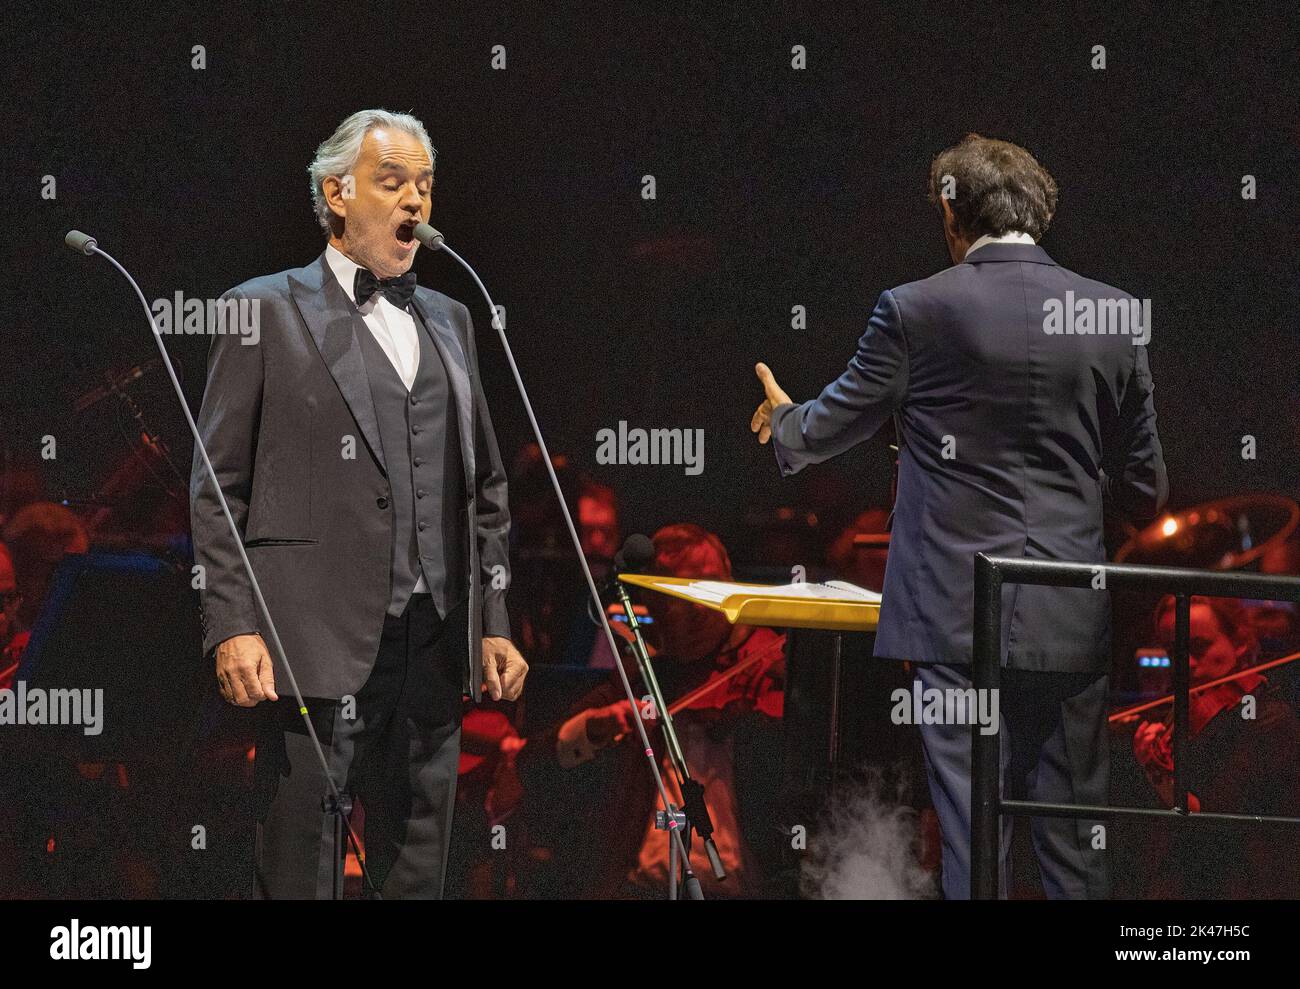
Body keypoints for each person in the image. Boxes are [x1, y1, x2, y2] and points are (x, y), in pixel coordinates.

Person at [750, 133, 1168, 898]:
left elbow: (829, 425)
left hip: (955, 617)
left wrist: (783, 421)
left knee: (976, 841)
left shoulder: (916, 309)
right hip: (1071, 616)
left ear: (952, 213)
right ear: (1039, 211)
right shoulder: (1112, 314)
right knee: (1075, 846)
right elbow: (1144, 486)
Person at [189, 109, 527, 899]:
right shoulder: (264, 309)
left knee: (417, 869)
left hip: (434, 643)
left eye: (425, 184)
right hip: (310, 643)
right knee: (303, 867)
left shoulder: (452, 320)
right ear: (337, 193)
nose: (416, 200)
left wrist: (495, 620)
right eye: (392, 181)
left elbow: (485, 490)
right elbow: (216, 482)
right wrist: (232, 621)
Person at [494, 524, 787, 897]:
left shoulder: (771, 668)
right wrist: (597, 728)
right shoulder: (645, 679)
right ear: (652, 610)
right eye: (679, 595)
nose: (701, 608)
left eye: (710, 585)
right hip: (643, 888)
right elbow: (537, 761)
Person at [1130, 595, 1300, 898]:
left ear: (1240, 643)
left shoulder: (1270, 720)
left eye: (1198, 647)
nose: (1185, 664)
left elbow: (1212, 825)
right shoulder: (1186, 712)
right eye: (1174, 651)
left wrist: (1159, 773)